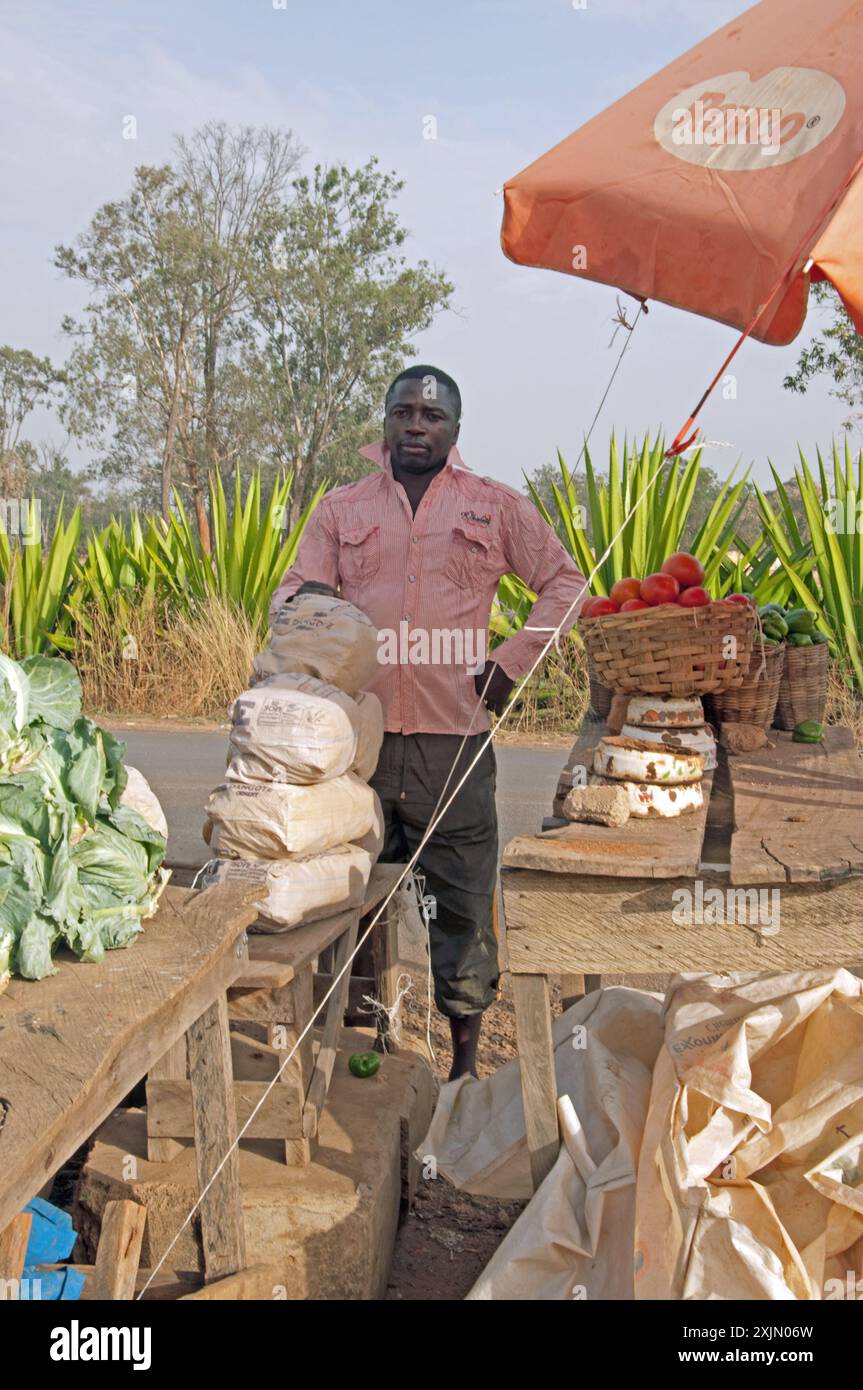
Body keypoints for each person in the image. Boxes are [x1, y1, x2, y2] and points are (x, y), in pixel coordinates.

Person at [270, 365, 586, 1079]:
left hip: (457, 744)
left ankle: (462, 1070)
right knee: (345, 897)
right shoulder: (340, 510)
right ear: (383, 421)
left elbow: (565, 583)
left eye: (432, 416)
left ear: (454, 430)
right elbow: (295, 593)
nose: (416, 425)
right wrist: (313, 615)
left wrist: (512, 659)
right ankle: (356, 1047)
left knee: (463, 907)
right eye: (403, 411)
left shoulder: (491, 506)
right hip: (358, 744)